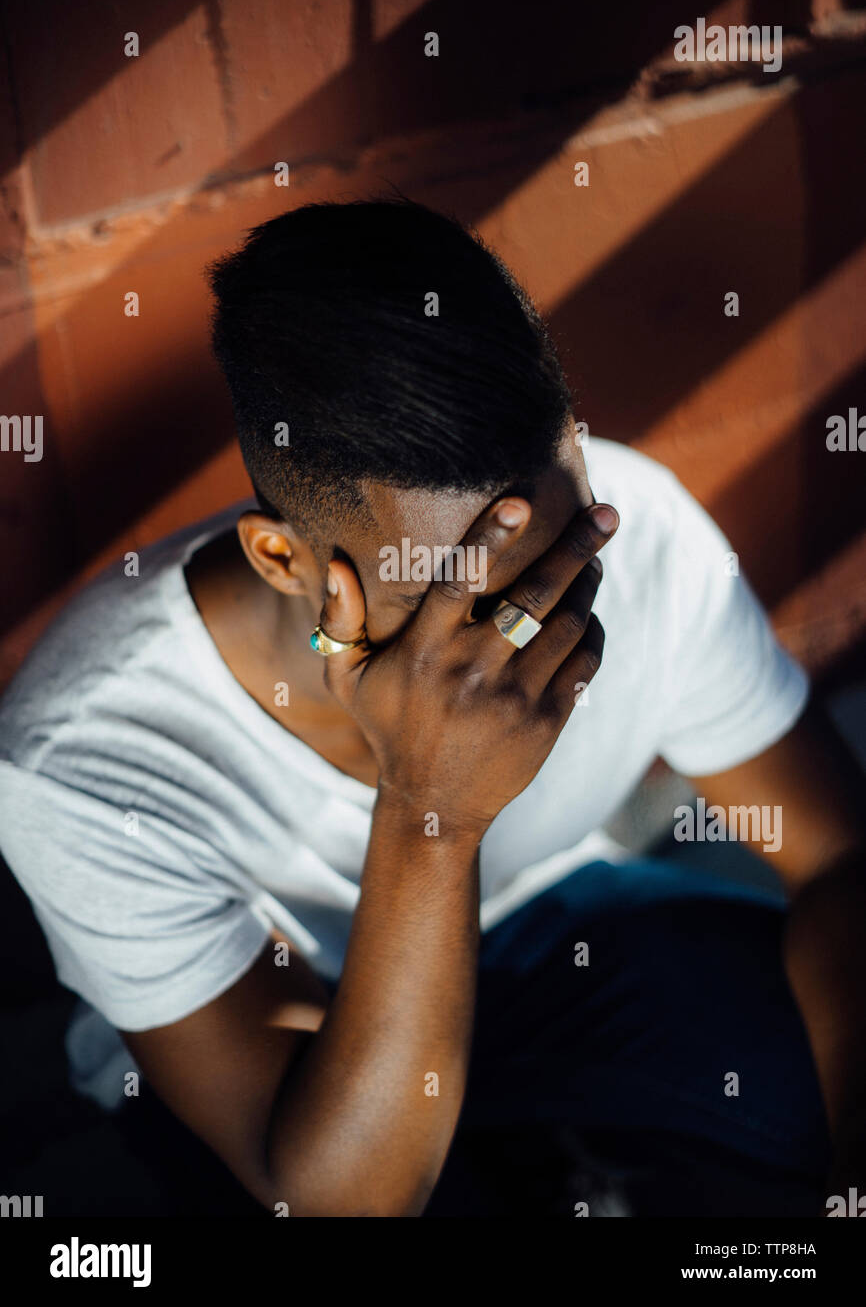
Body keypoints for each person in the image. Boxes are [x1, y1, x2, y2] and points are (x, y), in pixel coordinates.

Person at [1, 198, 863, 1218]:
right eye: (451, 604)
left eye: (553, 568)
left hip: (550, 935)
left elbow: (840, 857)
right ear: (285, 560)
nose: (515, 636)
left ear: (576, 451)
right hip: (290, 1063)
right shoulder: (83, 754)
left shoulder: (640, 529)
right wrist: (431, 811)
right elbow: (341, 1198)